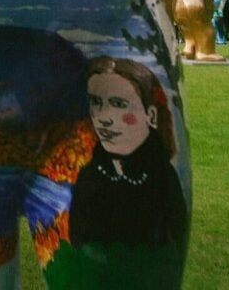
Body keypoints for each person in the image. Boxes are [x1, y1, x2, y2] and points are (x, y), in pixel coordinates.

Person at [70, 56, 188, 286]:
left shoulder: (161, 180)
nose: (103, 118)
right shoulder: (89, 177)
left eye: (119, 104)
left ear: (151, 116)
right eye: (96, 102)